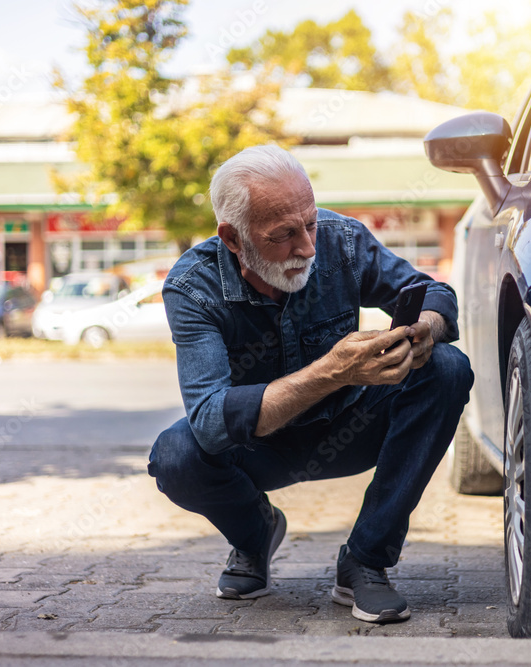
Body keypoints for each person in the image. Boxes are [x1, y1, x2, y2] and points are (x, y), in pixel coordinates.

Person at [147, 145, 473, 624]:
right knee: (175, 455)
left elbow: (434, 293)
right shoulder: (193, 287)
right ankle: (255, 534)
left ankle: (366, 560)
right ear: (233, 239)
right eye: (283, 235)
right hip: (259, 450)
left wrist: (426, 327)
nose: (306, 247)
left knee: (446, 367)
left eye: (310, 223)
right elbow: (213, 423)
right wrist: (332, 371)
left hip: (351, 429)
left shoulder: (342, 241)